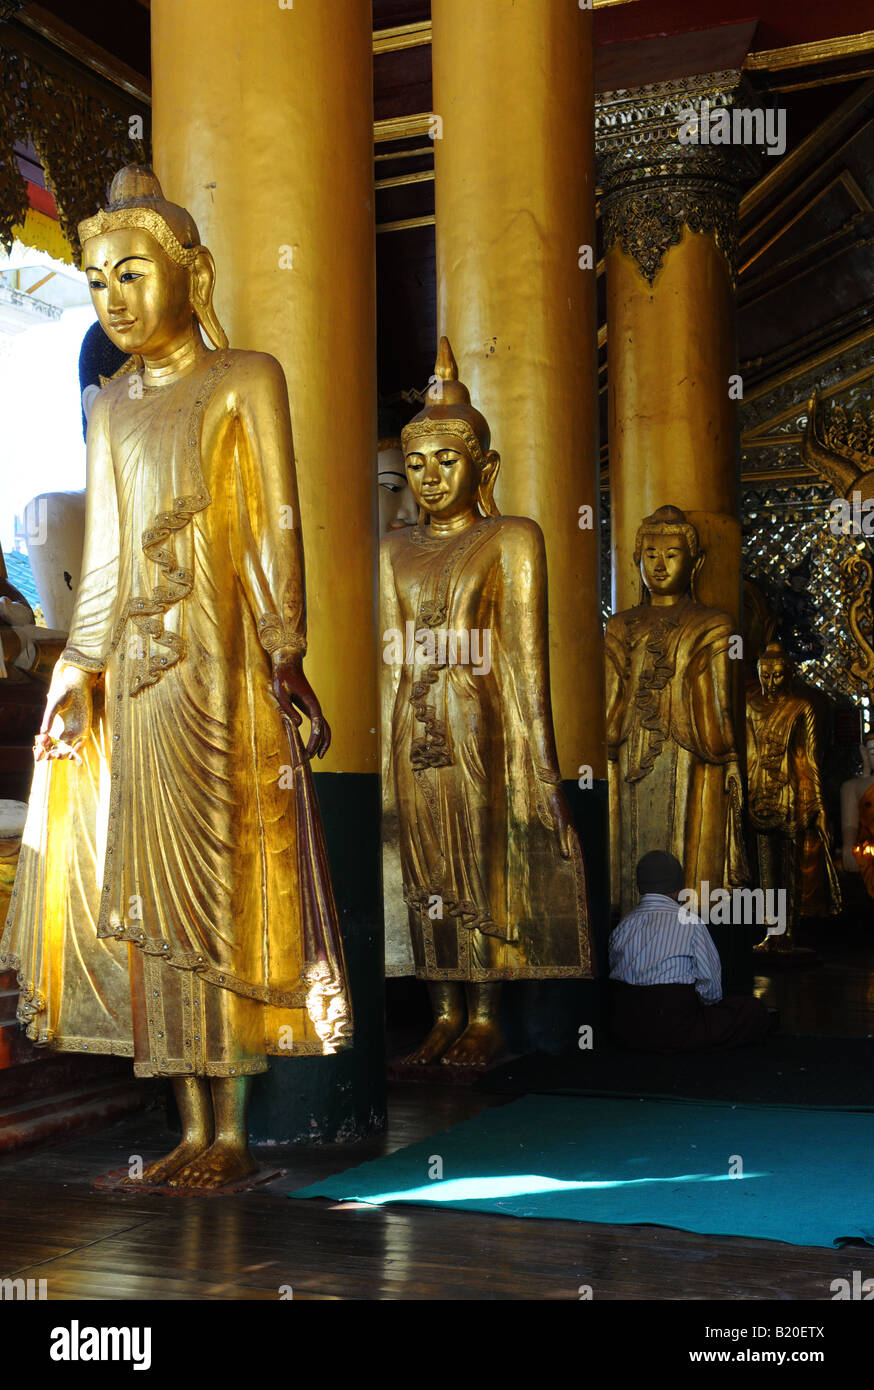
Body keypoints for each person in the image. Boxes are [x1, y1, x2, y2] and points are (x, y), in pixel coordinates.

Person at [609, 850, 769, 1052]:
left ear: (640, 886)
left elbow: (615, 970)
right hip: (673, 1029)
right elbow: (710, 989)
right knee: (751, 1010)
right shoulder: (691, 923)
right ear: (678, 888)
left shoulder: (624, 925)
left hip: (627, 1029)